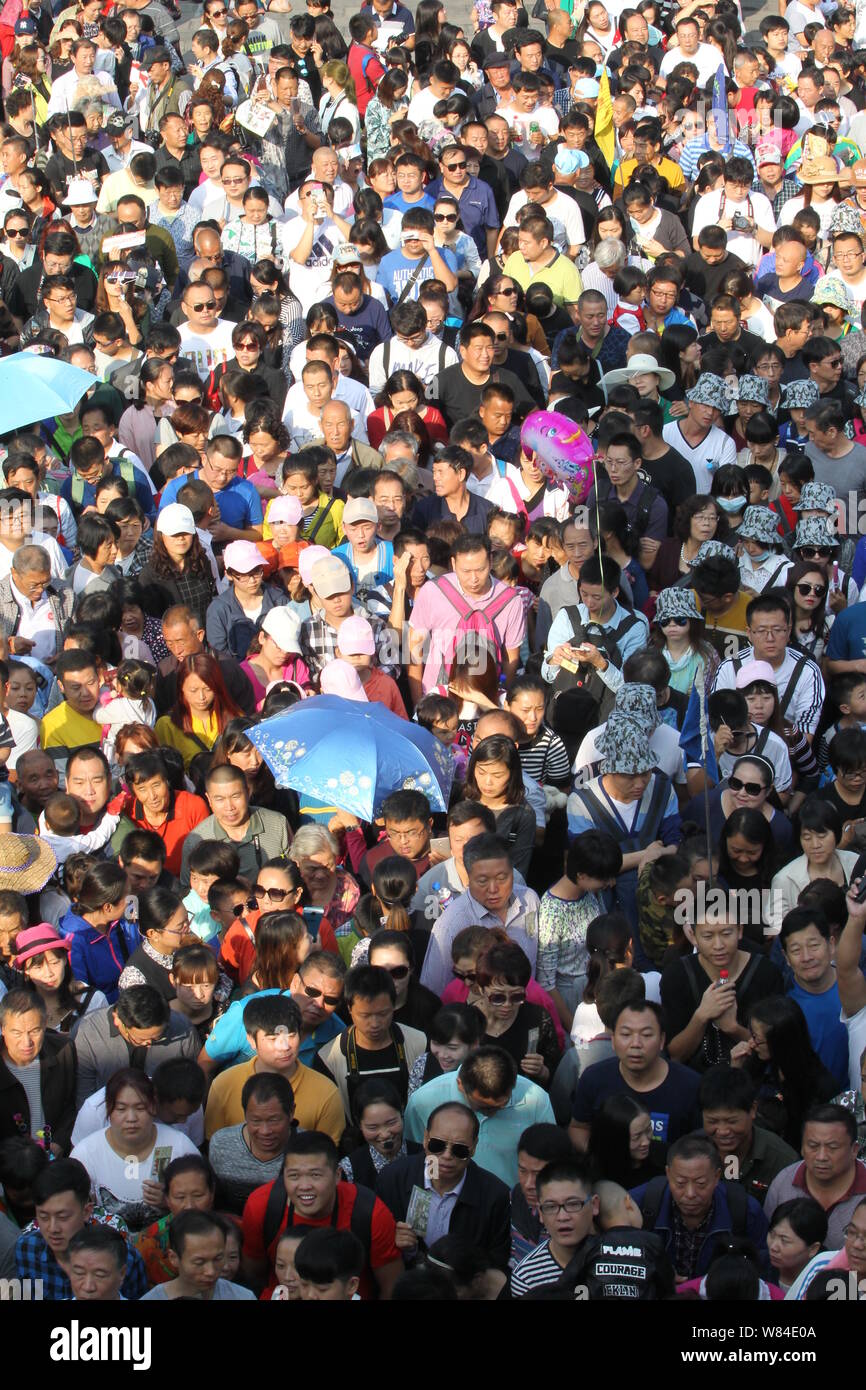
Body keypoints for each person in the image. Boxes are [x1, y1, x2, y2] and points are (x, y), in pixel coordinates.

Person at [240, 1129, 402, 1299]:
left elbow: (391, 1287)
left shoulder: (369, 1212)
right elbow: (253, 1278)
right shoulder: (262, 1206)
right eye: (294, 1176)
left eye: (315, 1175)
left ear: (337, 1175)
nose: (304, 1186)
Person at [377, 1100, 511, 1269]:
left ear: (474, 1147)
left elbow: (497, 1262)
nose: (447, 1156)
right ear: (425, 1139)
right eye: (437, 1145)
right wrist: (396, 1244)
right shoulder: (393, 1180)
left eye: (459, 1150)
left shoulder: (495, 1197)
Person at [404, 1046, 555, 1188]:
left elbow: (550, 1163)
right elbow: (419, 1160)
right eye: (485, 1107)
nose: (493, 1112)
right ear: (460, 1085)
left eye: (502, 1105)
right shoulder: (423, 1102)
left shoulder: (536, 1101)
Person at [569, 999, 701, 1158]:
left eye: (646, 1035)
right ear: (613, 1039)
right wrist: (601, 1156)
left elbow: (702, 1144)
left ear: (662, 1040)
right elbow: (578, 1128)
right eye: (626, 1034)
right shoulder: (594, 1078)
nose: (636, 1044)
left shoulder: (690, 1085)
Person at [205, 994, 345, 1144]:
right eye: (272, 1039)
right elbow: (214, 1145)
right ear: (251, 1040)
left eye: (291, 1036)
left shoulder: (326, 1093)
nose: (284, 1047)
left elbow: (327, 1155)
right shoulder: (224, 1085)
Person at [660, 906, 784, 1073]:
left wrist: (733, 1028)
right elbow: (675, 1055)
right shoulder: (676, 975)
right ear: (692, 936)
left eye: (726, 934)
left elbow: (777, 1049)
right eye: (708, 936)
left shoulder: (766, 973)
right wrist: (701, 1015)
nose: (718, 945)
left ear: (740, 930)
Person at [632, 1134, 770, 1283]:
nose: (690, 1194)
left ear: (717, 1177)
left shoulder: (745, 1211)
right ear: (668, 1174)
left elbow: (762, 1273)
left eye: (701, 1183)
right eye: (680, 1183)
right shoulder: (641, 1203)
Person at [420, 832, 541, 997]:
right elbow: (433, 991)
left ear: (513, 873)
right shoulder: (451, 924)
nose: (493, 889)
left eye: (501, 878)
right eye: (483, 881)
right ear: (469, 878)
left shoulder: (530, 901)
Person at [14, 1157, 147, 1301]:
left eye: (63, 1217)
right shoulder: (27, 1249)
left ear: (86, 1211)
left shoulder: (124, 1258)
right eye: (44, 1217)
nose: (52, 1228)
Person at [315, 964, 427, 1115]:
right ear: (349, 1009)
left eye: (383, 1014)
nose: (374, 1024)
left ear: (394, 1006)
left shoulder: (420, 1043)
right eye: (365, 1015)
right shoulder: (329, 1058)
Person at [73, 986, 200, 1107]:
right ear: (117, 1020)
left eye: (157, 1038)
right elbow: (84, 1095)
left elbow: (192, 1080)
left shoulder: (183, 1028)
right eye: (140, 1039)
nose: (148, 1044)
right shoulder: (88, 1032)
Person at [764, 1104, 866, 1250]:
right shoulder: (784, 1183)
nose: (821, 1156)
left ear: (854, 1150)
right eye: (813, 1146)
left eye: (832, 1147)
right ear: (801, 1147)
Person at [699, 1066, 800, 1207]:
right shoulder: (691, 1150)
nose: (722, 1131)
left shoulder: (783, 1161)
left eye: (732, 1121)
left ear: (752, 1110)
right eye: (712, 1121)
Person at [0, 989, 76, 1151]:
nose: (27, 1042)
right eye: (17, 1033)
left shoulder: (63, 1050)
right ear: (3, 1029)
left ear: (44, 1024)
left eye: (35, 1031)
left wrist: (58, 1144)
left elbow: (72, 1106)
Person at [511, 1158, 598, 1296]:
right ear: (540, 1212)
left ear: (594, 1205)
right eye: (550, 1207)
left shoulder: (619, 1256)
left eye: (573, 1204)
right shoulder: (527, 1277)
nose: (562, 1217)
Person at [141, 1209, 256, 1300]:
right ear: (174, 1258)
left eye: (218, 1259)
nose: (211, 1271)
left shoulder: (243, 1297)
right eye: (199, 1262)